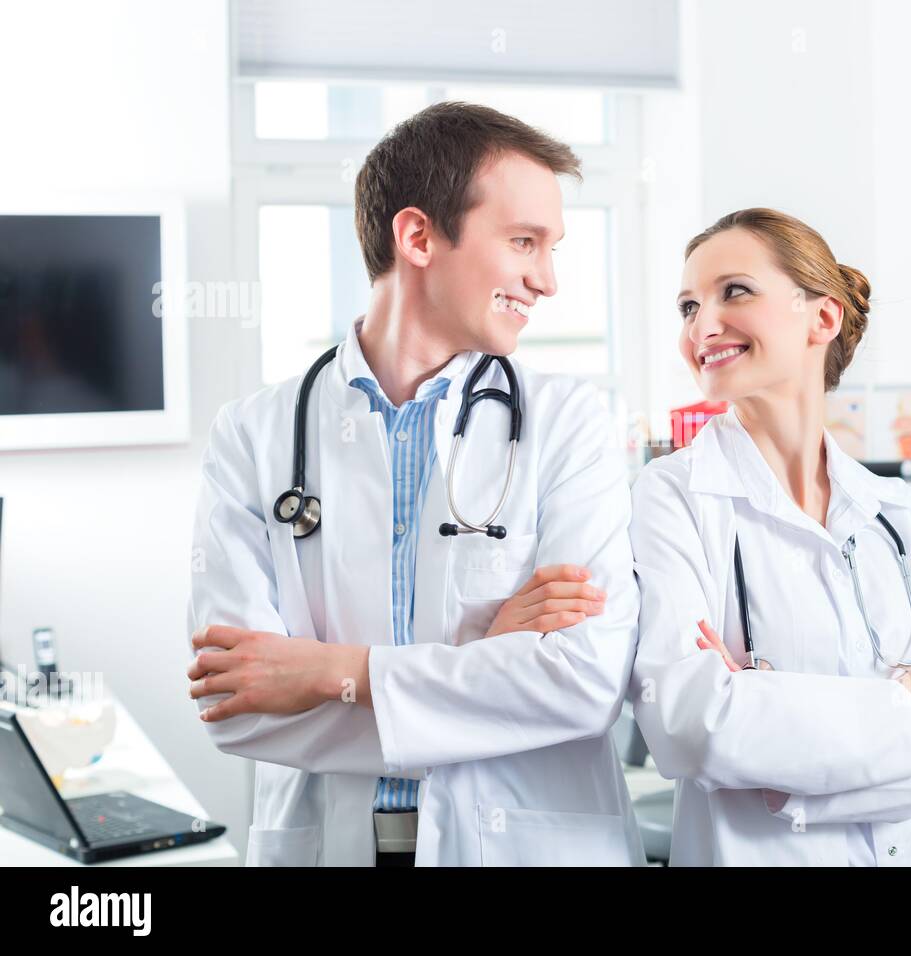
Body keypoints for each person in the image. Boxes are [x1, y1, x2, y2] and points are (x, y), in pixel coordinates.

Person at [185, 102, 643, 867]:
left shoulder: (570, 423)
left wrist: (331, 672)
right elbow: (235, 707)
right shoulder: (253, 436)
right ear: (418, 236)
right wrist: (484, 658)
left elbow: (581, 681)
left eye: (552, 248)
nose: (549, 279)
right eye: (524, 242)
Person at [629, 208, 911, 866]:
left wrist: (784, 765)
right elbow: (689, 724)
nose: (702, 325)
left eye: (735, 291)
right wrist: (909, 698)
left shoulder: (899, 514)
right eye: (688, 306)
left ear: (823, 317)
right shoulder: (672, 496)